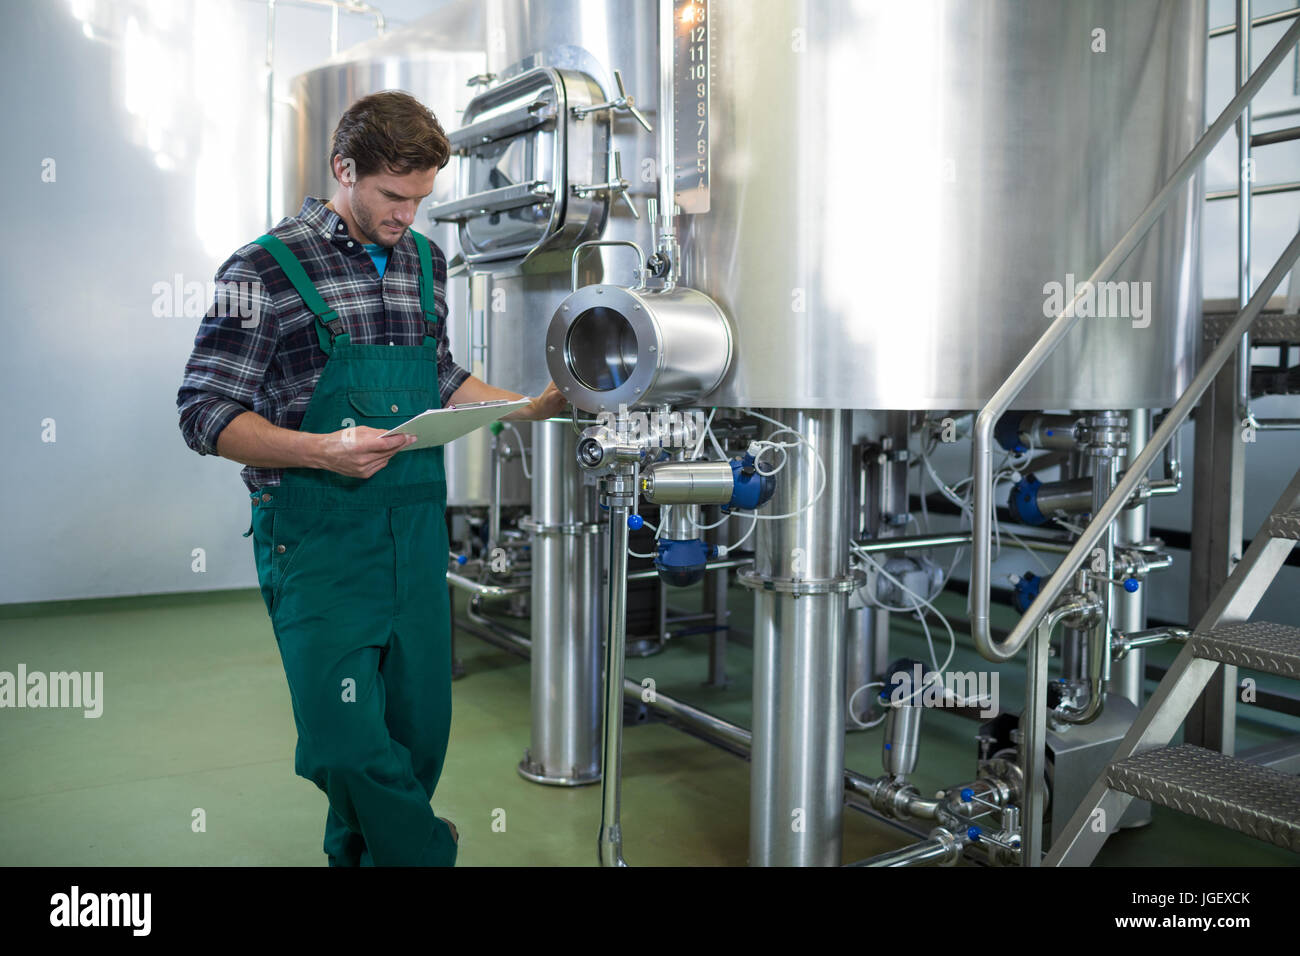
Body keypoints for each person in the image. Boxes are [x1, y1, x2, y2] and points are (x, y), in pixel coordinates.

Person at [177, 90, 565, 866]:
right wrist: (322, 450)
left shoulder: (426, 259)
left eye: (421, 198)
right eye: (393, 195)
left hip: (415, 532)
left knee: (418, 735)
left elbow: (441, 374)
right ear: (342, 169)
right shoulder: (261, 268)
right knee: (345, 741)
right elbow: (203, 411)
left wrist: (530, 407)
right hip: (318, 539)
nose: (407, 215)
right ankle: (427, 853)